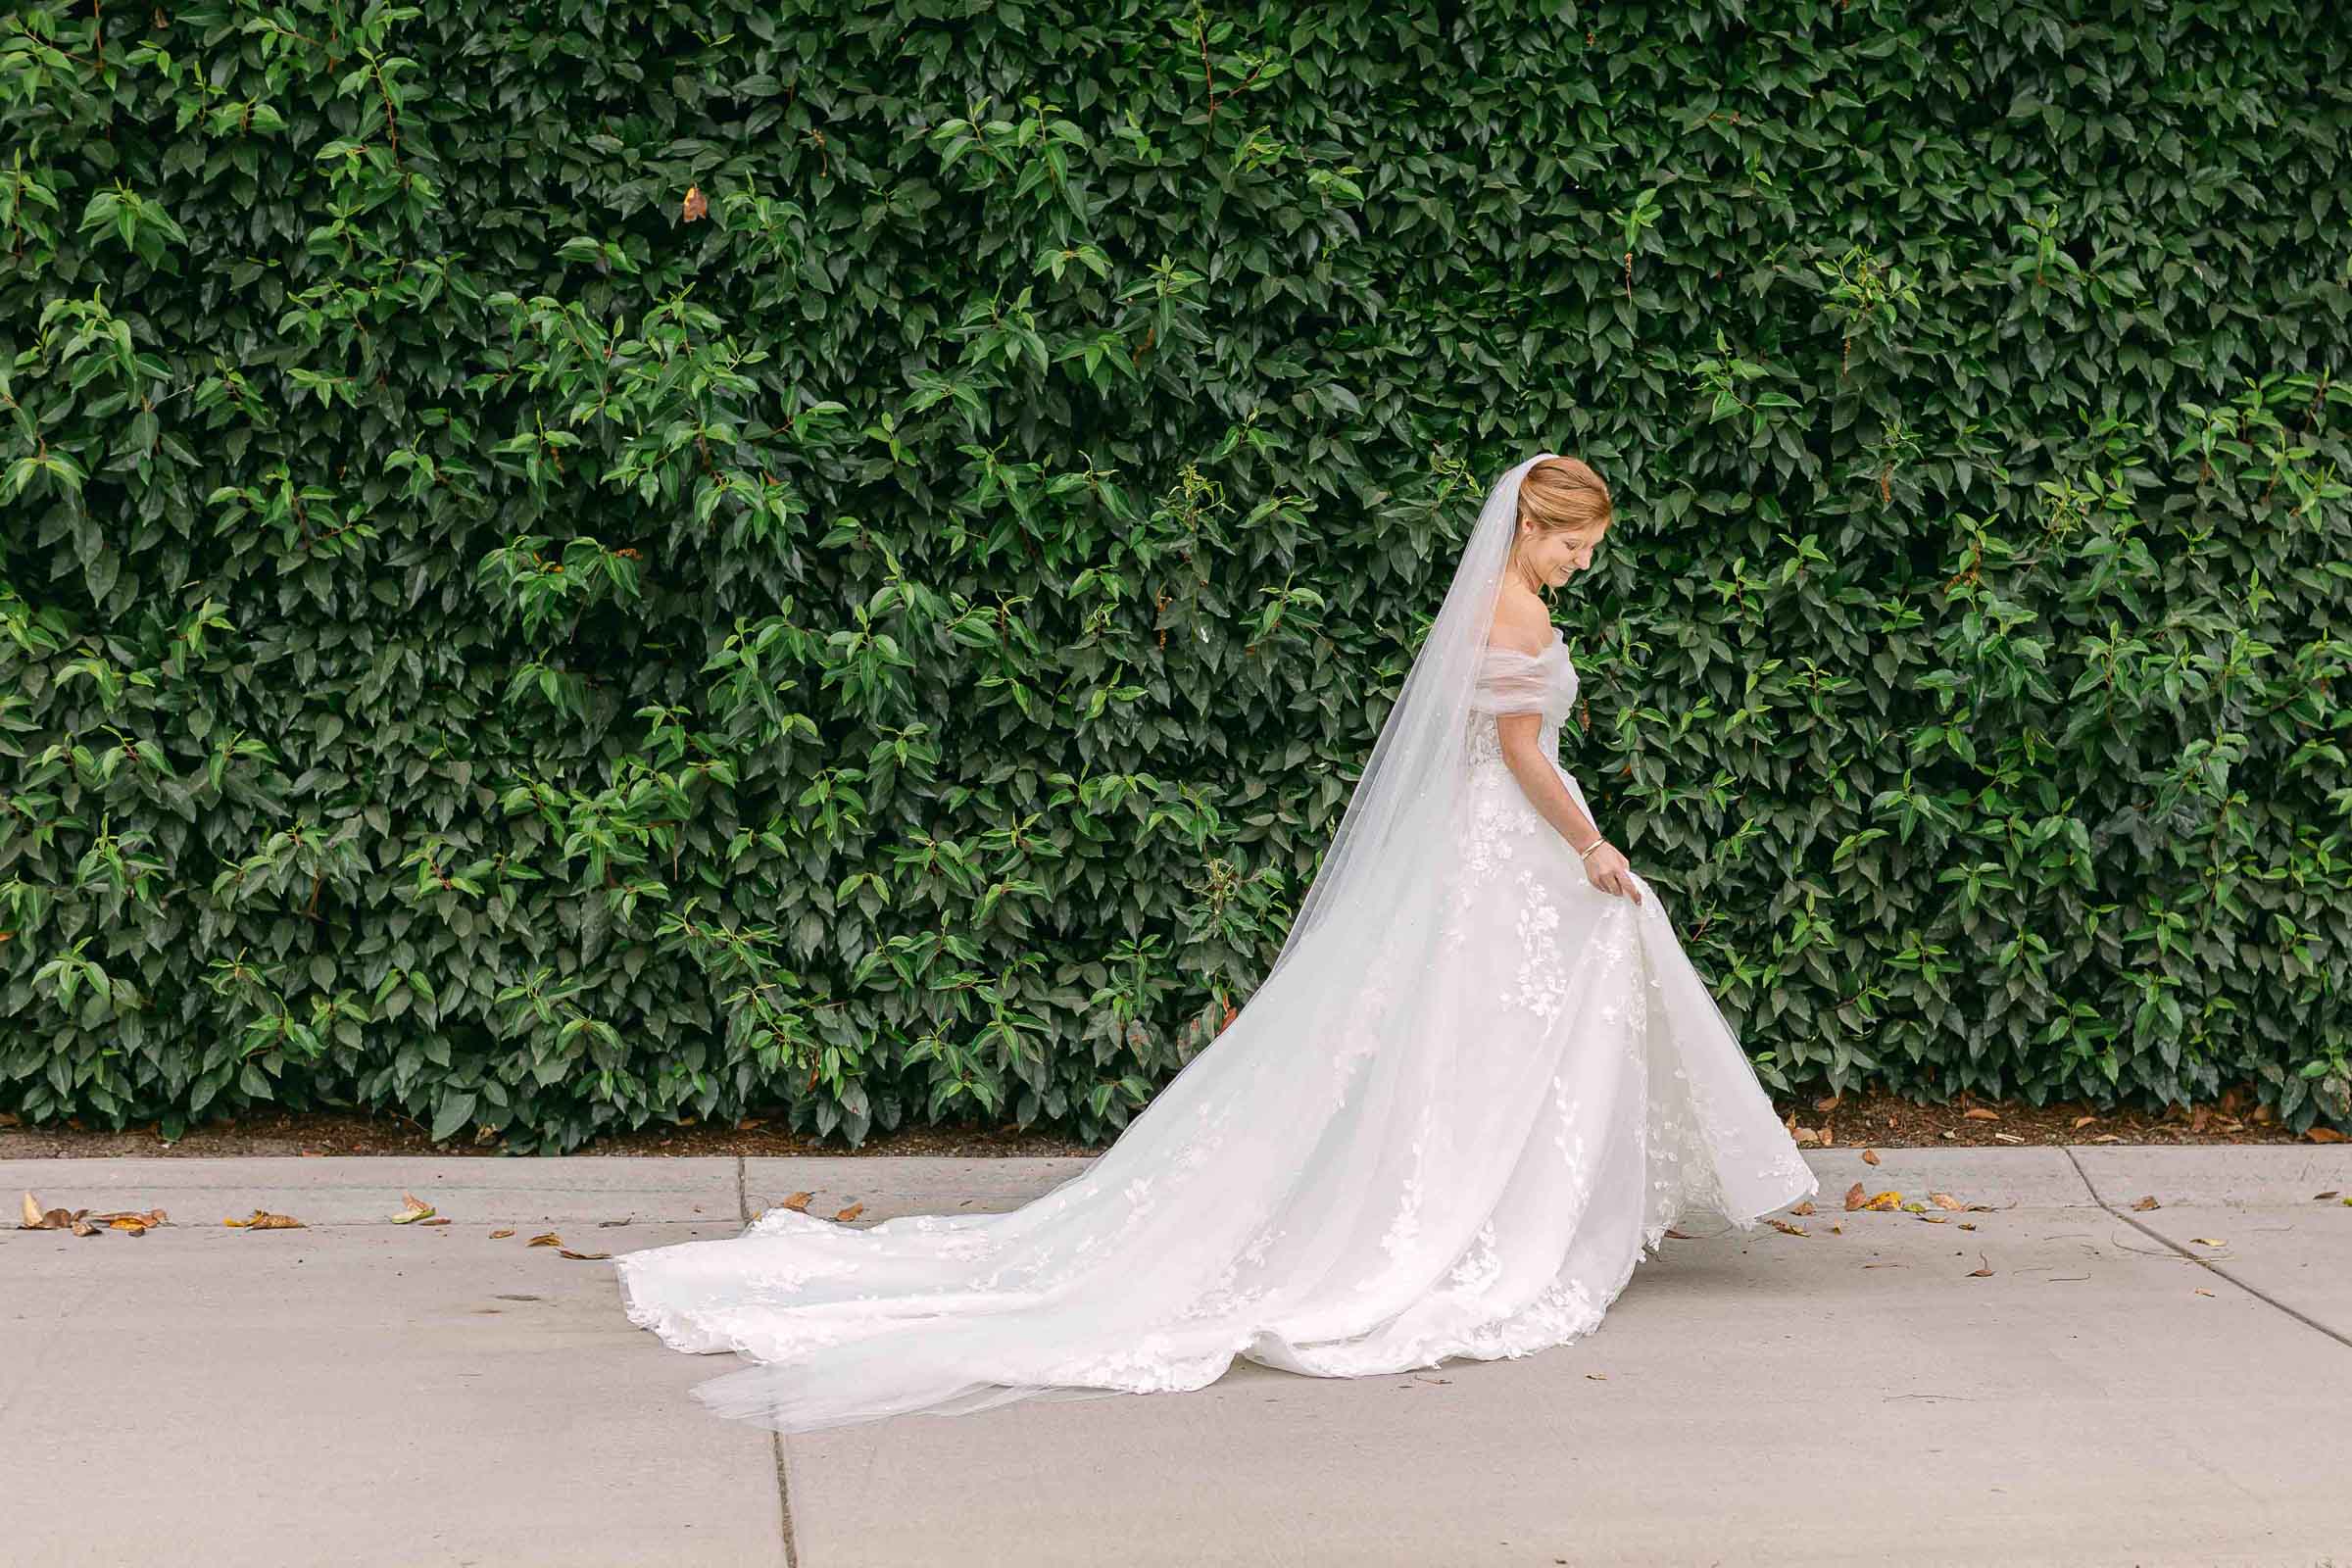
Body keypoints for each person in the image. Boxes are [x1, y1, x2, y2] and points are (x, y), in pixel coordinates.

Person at [613, 452, 1819, 1435]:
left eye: (1586, 548)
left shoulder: (1520, 601)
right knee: (1535, 987)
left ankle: (1509, 1192)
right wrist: (1594, 846)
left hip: (1494, 844)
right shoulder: (1510, 604)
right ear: (1533, 527)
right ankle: (1484, 1205)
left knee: (1504, 1016)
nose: (1582, 562)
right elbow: (1517, 755)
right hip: (1504, 839)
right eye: (1576, 543)